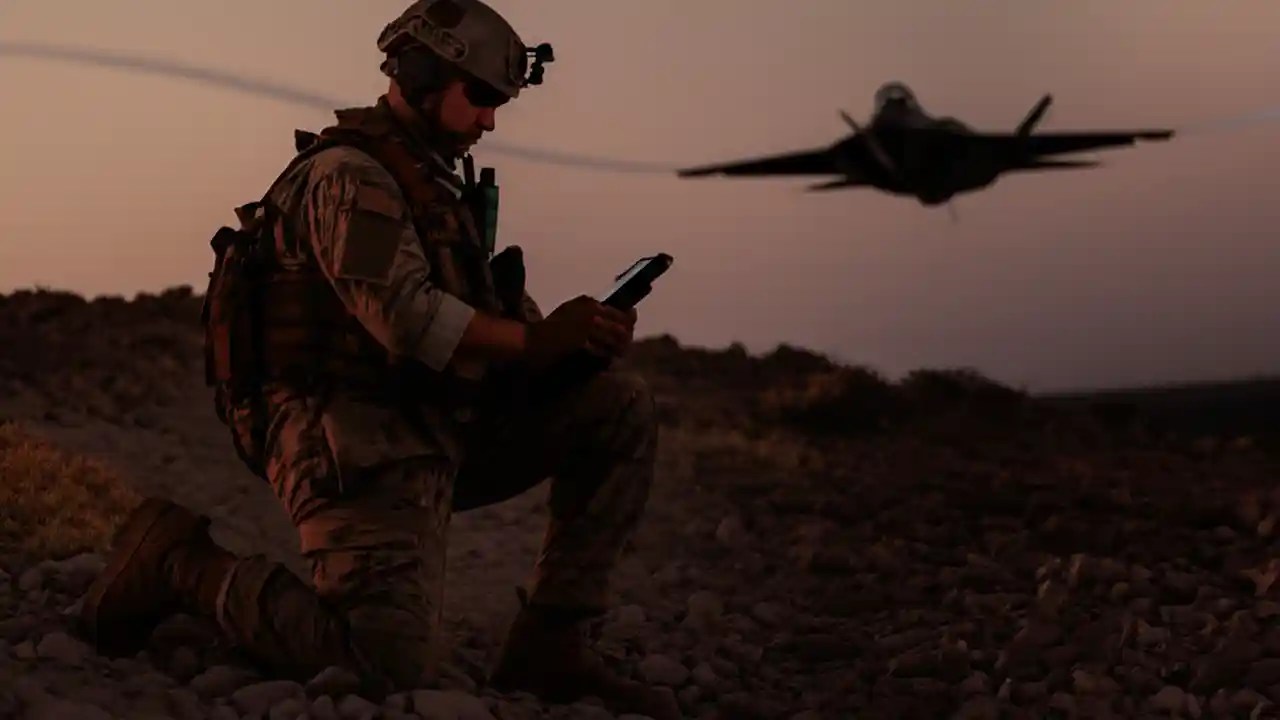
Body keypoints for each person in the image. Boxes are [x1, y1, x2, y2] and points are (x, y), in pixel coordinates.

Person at [78, 1, 679, 717]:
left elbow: (471, 317)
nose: (490, 120)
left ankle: (552, 644)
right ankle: (179, 563)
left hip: (421, 422)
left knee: (617, 404)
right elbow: (400, 316)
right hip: (342, 434)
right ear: (424, 75)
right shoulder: (350, 177)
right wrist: (529, 342)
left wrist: (564, 345)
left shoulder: (436, 187)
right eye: (481, 96)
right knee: (382, 665)